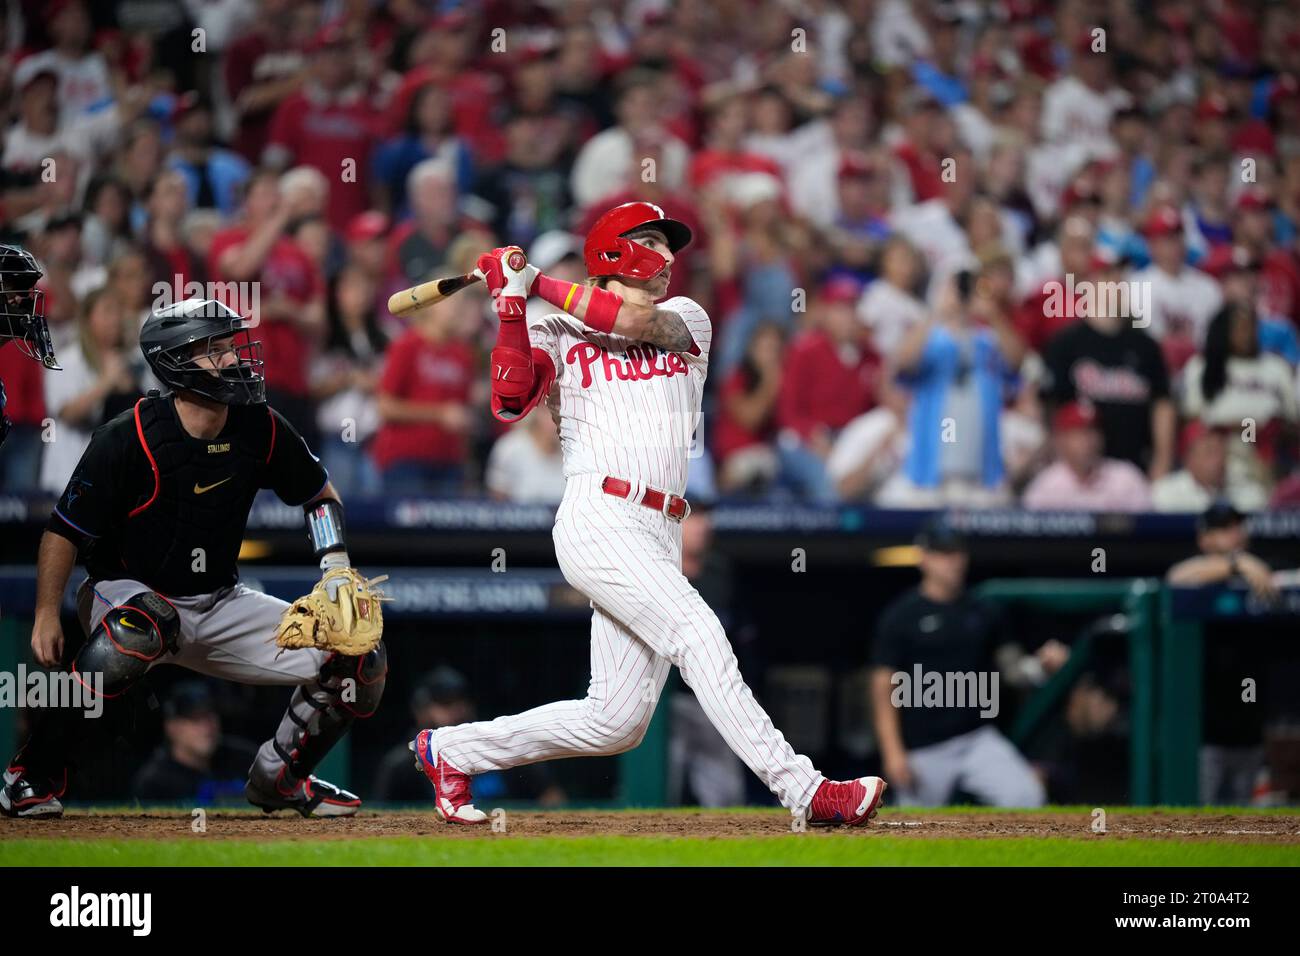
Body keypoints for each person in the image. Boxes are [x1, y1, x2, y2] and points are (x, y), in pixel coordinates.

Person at [410, 201, 886, 827]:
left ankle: (451, 750)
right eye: (653, 244)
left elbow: (633, 324)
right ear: (614, 251)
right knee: (699, 633)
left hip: (661, 528)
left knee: (617, 721)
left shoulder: (686, 318)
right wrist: (511, 307)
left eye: (670, 247)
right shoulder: (554, 330)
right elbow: (505, 402)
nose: (667, 260)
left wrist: (537, 282)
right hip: (599, 515)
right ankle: (805, 789)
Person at [0, 299, 386, 819]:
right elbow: (63, 531)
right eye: (213, 350)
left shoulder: (260, 425)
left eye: (230, 346)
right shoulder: (126, 435)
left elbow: (320, 495)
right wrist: (47, 613)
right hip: (126, 589)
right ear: (175, 362)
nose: (232, 359)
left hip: (218, 599)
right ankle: (29, 777)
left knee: (360, 655)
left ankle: (281, 779)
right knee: (138, 630)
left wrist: (336, 568)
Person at [870, 517, 1061, 807]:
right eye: (944, 553)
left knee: (1027, 796)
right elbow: (883, 685)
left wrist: (1040, 666)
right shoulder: (902, 616)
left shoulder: (983, 611)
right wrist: (892, 752)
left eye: (958, 552)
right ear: (925, 558)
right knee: (910, 828)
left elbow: (1013, 670)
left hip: (976, 738)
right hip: (924, 746)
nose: (953, 561)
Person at [1166, 501, 1281, 804]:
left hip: (1251, 736)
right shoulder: (1198, 572)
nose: (1236, 533)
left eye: (1238, 526)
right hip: (1204, 739)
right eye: (1225, 528)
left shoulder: (1261, 571)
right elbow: (1176, 578)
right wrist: (1235, 564)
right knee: (1197, 828)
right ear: (1205, 538)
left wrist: (1249, 567)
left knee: (1246, 834)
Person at [372, 667, 565, 806]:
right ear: (421, 711)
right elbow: (383, 817)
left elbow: (551, 797)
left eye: (460, 702)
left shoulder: (498, 745)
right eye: (445, 704)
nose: (456, 712)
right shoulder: (402, 765)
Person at [371, 283, 478, 495]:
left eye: (459, 302)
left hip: (449, 463)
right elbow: (385, 407)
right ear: (429, 305)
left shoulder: (463, 355)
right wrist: (439, 414)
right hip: (405, 461)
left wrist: (466, 462)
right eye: (449, 301)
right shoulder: (406, 346)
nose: (456, 307)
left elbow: (461, 414)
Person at [131, 681, 258, 805]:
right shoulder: (155, 782)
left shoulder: (246, 759)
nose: (207, 726)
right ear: (172, 728)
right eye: (195, 718)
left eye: (210, 715)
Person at [1022, 402, 1152, 511]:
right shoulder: (1045, 486)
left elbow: (1149, 531)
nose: (1089, 441)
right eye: (1080, 434)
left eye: (1093, 432)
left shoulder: (1126, 478)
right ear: (1061, 440)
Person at [0, 245, 60, 469]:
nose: (18, 298)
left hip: (27, 421)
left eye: (23, 289)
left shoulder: (27, 317)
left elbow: (60, 306)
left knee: (25, 500)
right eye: (10, 288)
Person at [1152, 421, 1269, 513]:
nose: (1219, 459)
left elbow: (1257, 500)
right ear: (1189, 459)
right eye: (1210, 451)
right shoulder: (1166, 493)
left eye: (1221, 449)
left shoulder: (1245, 489)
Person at [485, 407, 566, 504]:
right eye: (553, 413)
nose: (559, 421)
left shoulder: (576, 450)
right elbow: (497, 498)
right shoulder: (510, 447)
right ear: (538, 414)